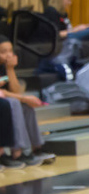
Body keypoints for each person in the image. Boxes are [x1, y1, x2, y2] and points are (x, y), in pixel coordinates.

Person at [0, 36, 55, 168]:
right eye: (3, 51)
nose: (8, 55)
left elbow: (15, 90)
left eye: (10, 51)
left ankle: (36, 148)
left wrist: (10, 69)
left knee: (25, 107)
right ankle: (18, 152)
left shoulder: (4, 68)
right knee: (14, 103)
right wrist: (24, 98)